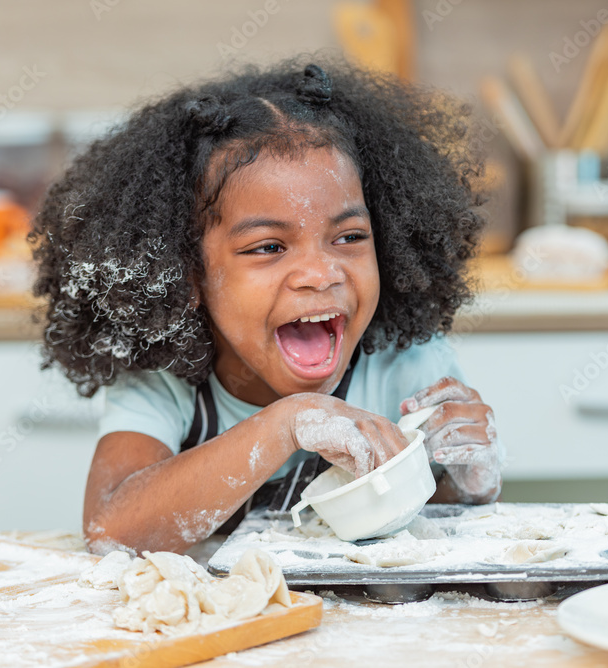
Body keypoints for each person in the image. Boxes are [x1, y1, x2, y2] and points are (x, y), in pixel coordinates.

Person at [30, 58, 503, 556]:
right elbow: (113, 532)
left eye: (349, 237)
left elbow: (441, 532)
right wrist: (286, 423)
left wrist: (472, 479)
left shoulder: (407, 362)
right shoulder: (164, 380)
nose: (321, 274)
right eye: (268, 247)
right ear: (188, 274)